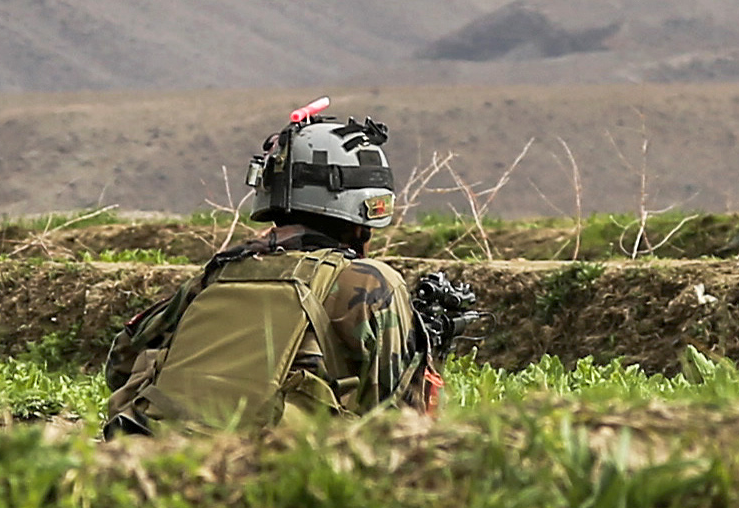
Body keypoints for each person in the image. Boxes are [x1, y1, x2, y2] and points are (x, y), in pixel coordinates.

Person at [100, 102, 472, 435]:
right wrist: (428, 354)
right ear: (362, 212)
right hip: (271, 472)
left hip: (159, 457)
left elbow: (121, 364)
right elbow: (399, 418)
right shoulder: (371, 284)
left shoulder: (222, 270)